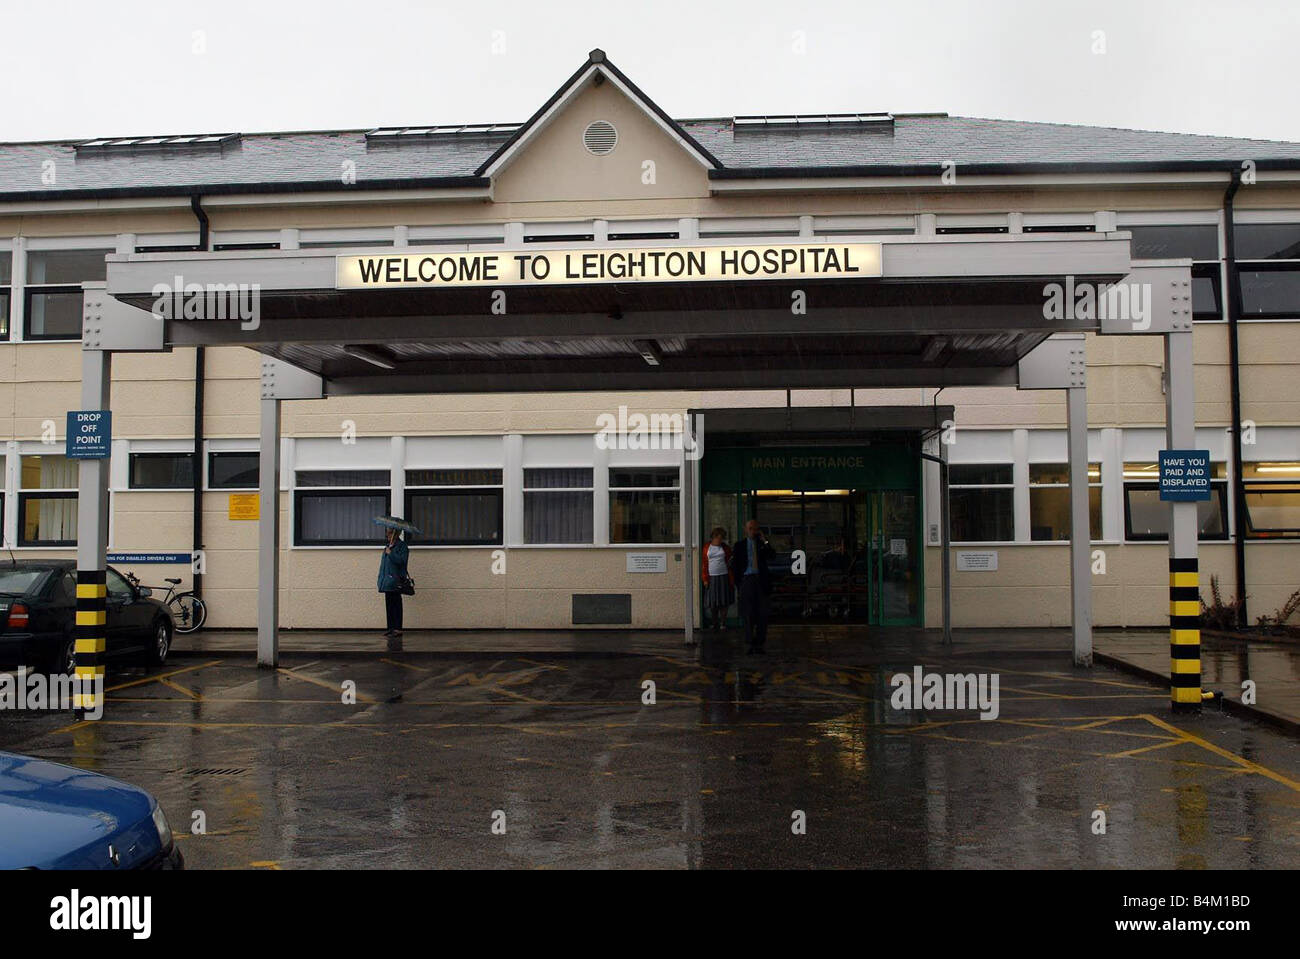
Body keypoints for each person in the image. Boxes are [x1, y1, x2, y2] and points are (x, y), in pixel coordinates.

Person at [730, 519, 775, 654]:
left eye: (755, 529)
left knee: (762, 612)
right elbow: (735, 565)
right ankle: (750, 641)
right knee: (748, 612)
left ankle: (760, 641)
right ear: (746, 529)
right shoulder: (739, 545)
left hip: (760, 580)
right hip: (747, 579)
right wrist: (740, 582)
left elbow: (772, 556)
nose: (752, 531)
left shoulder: (761, 544)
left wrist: (764, 540)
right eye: (750, 528)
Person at [377, 527, 409, 650]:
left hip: (395, 580)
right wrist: (380, 578)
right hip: (387, 580)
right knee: (389, 604)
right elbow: (383, 565)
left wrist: (392, 554)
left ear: (396, 533)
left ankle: (397, 628)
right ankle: (390, 628)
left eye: (390, 533)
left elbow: (402, 561)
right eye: (387, 533)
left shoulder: (402, 547)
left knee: (396, 603)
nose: (387, 535)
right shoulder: (387, 546)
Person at [700, 526, 735, 632]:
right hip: (712, 577)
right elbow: (704, 564)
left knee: (724, 601)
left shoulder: (725, 548)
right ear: (713, 537)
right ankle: (714, 622)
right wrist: (705, 579)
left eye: (721, 538)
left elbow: (731, 559)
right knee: (713, 601)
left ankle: (723, 622)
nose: (719, 540)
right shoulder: (707, 547)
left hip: (724, 576)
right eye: (718, 537)